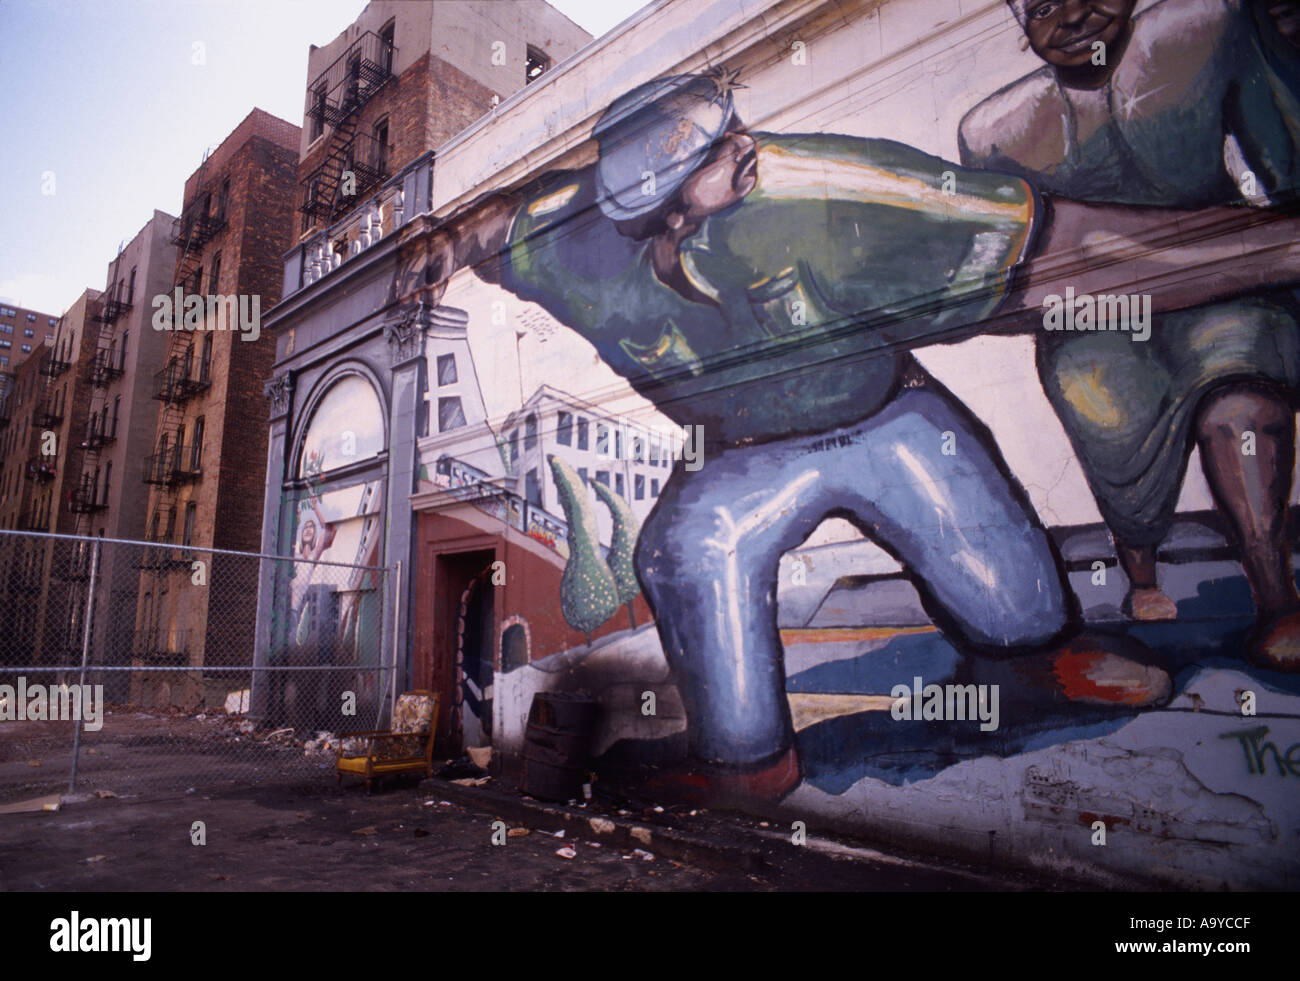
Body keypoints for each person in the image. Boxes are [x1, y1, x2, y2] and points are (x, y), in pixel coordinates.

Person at [435, 70, 1300, 799]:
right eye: (715, 151)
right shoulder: (570, 247)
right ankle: (746, 762)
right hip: (741, 457)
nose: (745, 145)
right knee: (684, 550)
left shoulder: (821, 189)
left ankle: (1036, 650)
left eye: (732, 127)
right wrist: (439, 245)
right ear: (665, 213)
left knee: (961, 488)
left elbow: (1060, 248)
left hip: (880, 410)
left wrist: (1269, 246)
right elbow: (495, 227)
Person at [959, 0, 1300, 668]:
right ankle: (1139, 572)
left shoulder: (1207, 31)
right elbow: (996, 262)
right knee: (1104, 413)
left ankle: (1276, 595)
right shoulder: (991, 133)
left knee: (1243, 409)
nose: (1074, 14)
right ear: (1021, 27)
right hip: (1095, 320)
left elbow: (1288, 167)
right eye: (1045, 4)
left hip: (1222, 287)